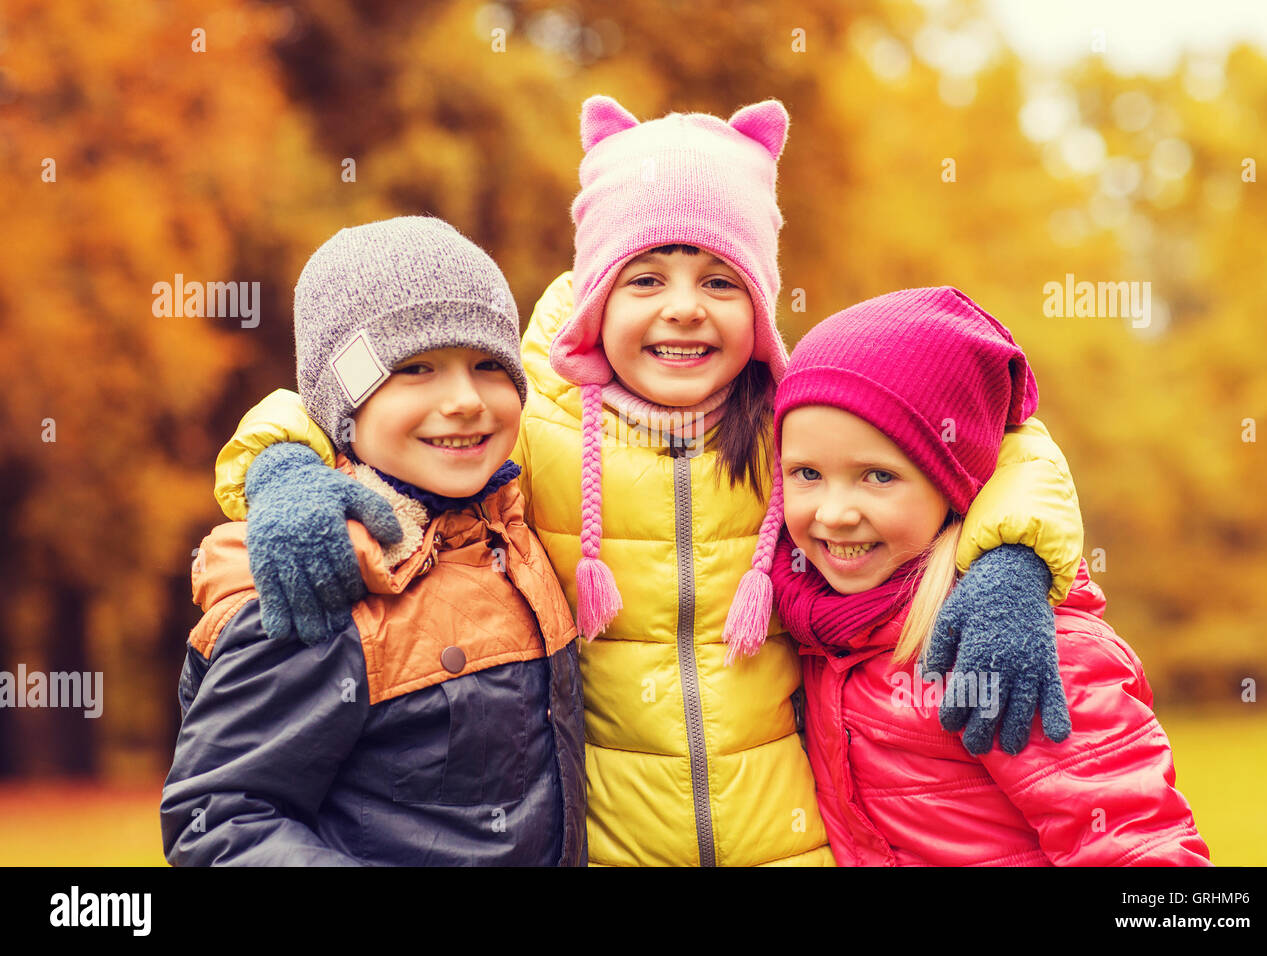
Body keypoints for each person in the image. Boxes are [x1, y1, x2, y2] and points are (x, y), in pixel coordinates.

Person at [205, 97, 1088, 866]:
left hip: (789, 843)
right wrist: (283, 470)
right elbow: (326, 405)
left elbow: (997, 435)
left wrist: (1013, 561)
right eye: (645, 278)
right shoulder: (524, 420)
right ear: (597, 298)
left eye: (719, 279)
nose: (682, 307)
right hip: (615, 847)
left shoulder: (798, 421)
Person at [725, 286, 1211, 865]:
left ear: (955, 482)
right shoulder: (818, 620)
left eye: (878, 476)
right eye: (807, 473)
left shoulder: (1016, 646)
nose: (833, 513)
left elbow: (1138, 845)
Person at [160, 216, 586, 866]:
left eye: (487, 365)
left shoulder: (516, 526)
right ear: (344, 406)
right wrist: (283, 469)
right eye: (415, 369)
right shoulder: (318, 567)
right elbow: (218, 820)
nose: (466, 399)